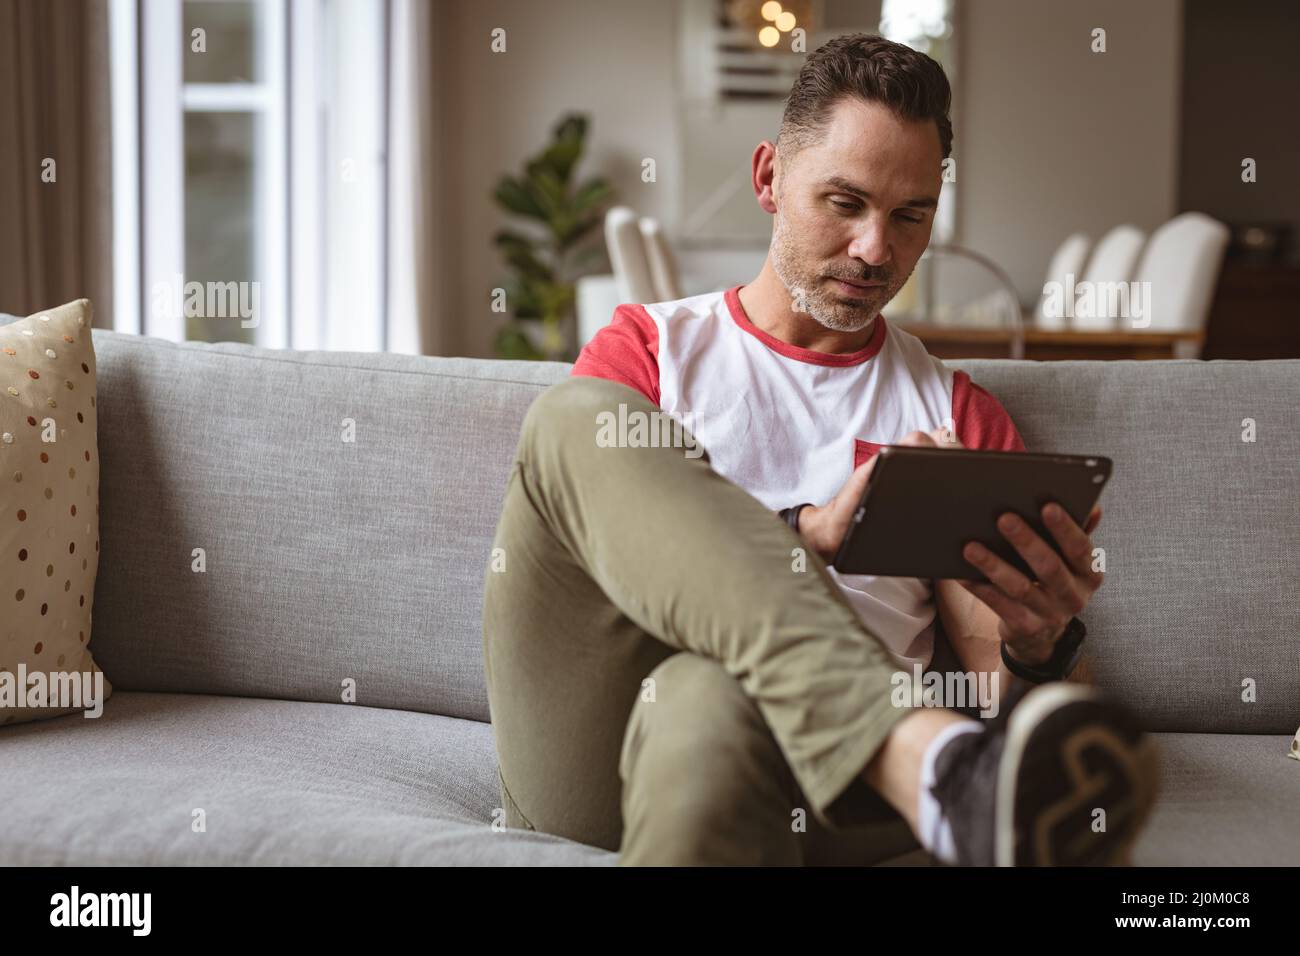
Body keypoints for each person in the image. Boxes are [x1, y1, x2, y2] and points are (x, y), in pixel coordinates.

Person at [482, 33, 1158, 866]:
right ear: (768, 178)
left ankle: (931, 767)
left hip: (820, 791)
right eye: (845, 203)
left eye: (910, 216)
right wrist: (805, 534)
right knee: (572, 417)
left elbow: (1015, 707)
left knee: (707, 694)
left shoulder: (952, 412)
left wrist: (1039, 644)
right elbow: (581, 576)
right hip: (599, 742)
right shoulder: (650, 349)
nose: (877, 250)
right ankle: (920, 754)